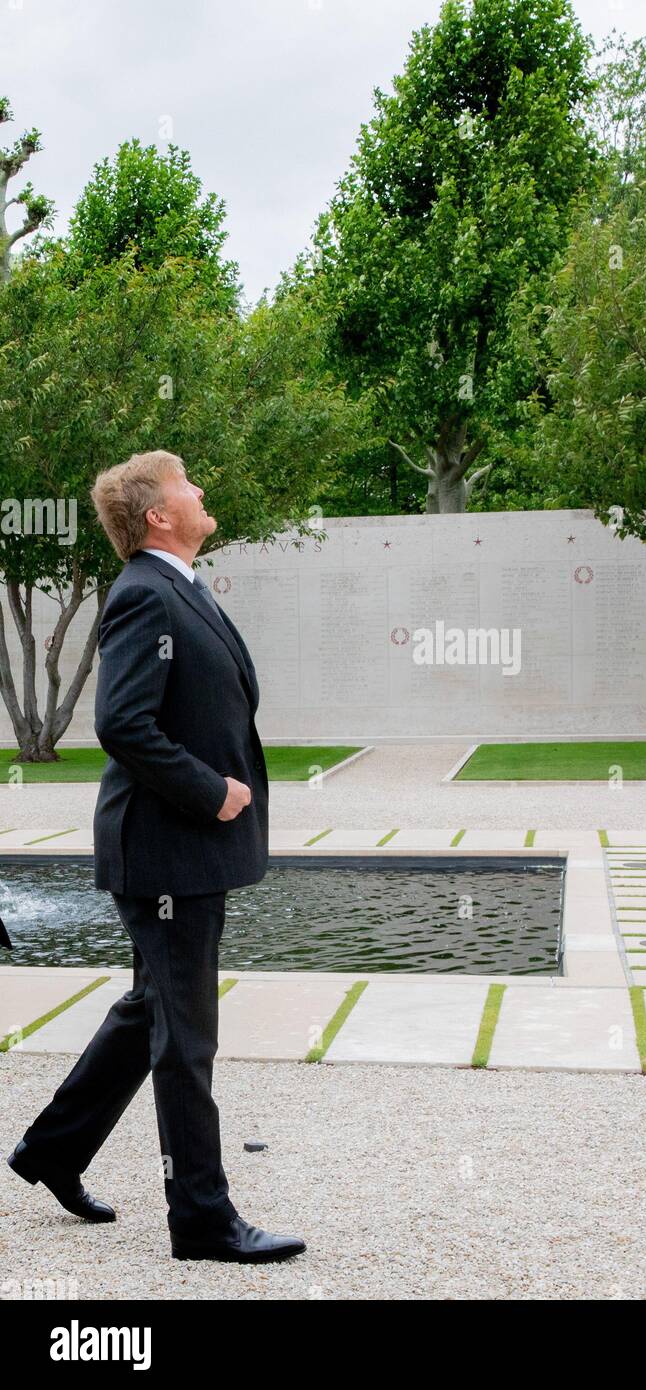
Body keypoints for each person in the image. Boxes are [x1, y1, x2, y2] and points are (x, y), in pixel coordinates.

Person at [7, 450, 305, 1264]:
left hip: (178, 851)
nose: (202, 490)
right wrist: (213, 791)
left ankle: (54, 1150)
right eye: (186, 485)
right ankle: (202, 1219)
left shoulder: (175, 587)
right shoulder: (144, 594)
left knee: (150, 1011)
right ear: (156, 516)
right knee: (186, 1038)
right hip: (168, 852)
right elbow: (123, 724)